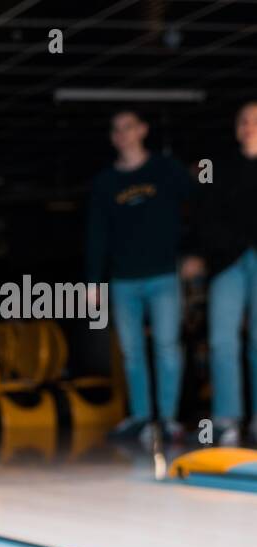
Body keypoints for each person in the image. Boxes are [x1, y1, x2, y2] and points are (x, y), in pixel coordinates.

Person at [85, 108, 191, 446]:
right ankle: (142, 417)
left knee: (166, 347)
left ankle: (168, 419)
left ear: (142, 130)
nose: (122, 134)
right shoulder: (105, 183)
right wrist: (93, 281)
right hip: (123, 279)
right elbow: (96, 234)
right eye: (116, 129)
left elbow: (197, 206)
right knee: (131, 352)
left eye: (128, 127)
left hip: (163, 274)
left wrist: (192, 254)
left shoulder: (165, 169)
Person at [182, 101, 257, 447]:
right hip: (227, 263)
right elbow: (204, 215)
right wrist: (202, 253)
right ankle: (227, 417)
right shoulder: (219, 167)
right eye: (243, 120)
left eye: (255, 120)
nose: (248, 125)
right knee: (221, 340)